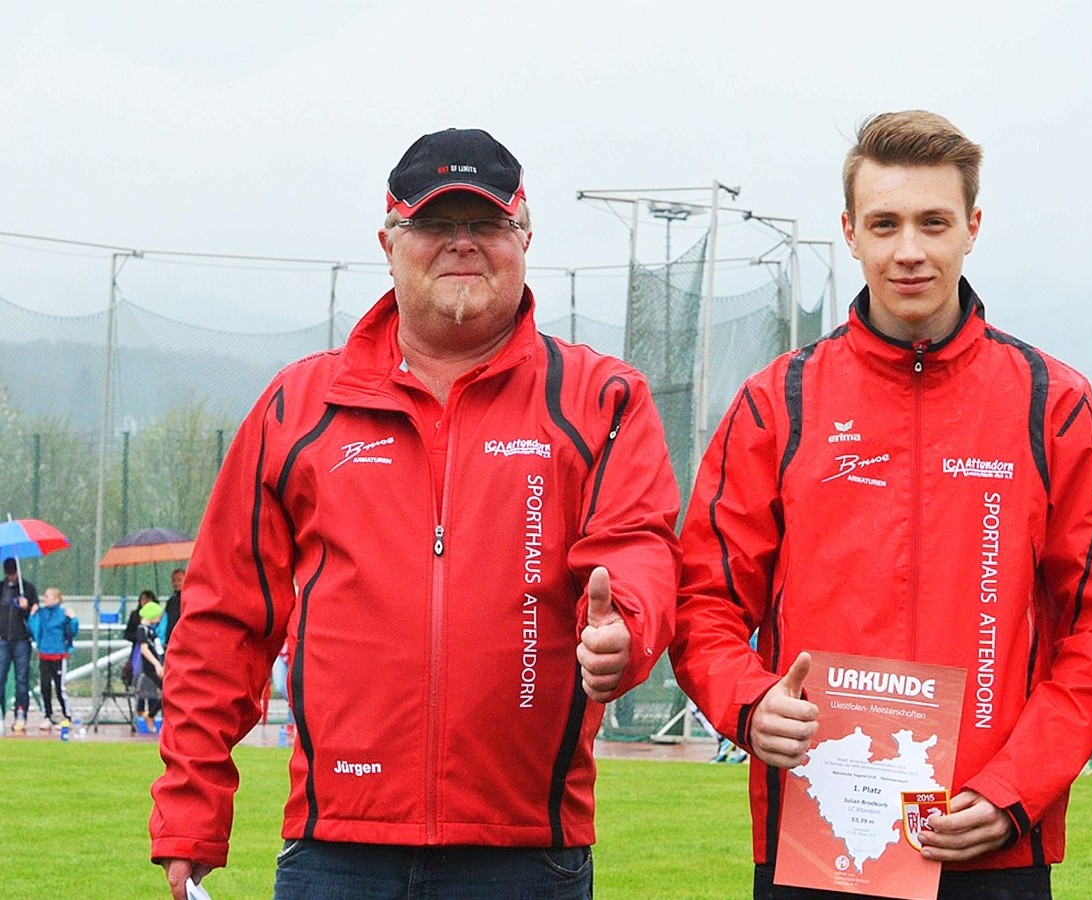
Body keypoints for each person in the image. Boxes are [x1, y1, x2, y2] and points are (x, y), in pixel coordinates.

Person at [148, 127, 681, 900]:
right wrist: (192, 814)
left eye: (487, 223)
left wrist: (625, 626)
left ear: (525, 235)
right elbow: (222, 622)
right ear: (388, 241)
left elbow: (638, 548)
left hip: (528, 853)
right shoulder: (298, 406)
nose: (461, 244)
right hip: (336, 850)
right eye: (435, 224)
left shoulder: (600, 397)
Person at [670, 110, 1092, 899]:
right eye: (885, 224)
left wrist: (1017, 789)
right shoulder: (777, 402)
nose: (910, 250)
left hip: (988, 836)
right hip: (821, 839)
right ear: (851, 232)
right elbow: (703, 602)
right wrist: (750, 704)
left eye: (934, 222)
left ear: (973, 228)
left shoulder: (1050, 402)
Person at [28, 586, 79, 729]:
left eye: (47, 596)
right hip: (44, 654)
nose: (44, 599)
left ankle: (67, 716)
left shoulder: (63, 614)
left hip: (58, 655)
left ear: (56, 599)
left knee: (59, 687)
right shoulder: (42, 614)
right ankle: (47, 716)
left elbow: (72, 631)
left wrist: (73, 619)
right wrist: (32, 615)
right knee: (44, 686)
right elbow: (34, 629)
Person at [0, 557, 40, 732]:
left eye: (13, 573)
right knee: (0, 677)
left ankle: (20, 712)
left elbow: (34, 613)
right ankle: (1, 714)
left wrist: (27, 606)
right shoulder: (0, 588)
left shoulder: (28, 589)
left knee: (21, 679)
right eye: (8, 574)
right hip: (3, 640)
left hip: (22, 640)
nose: (11, 577)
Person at [132, 598, 167, 733]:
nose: (159, 618)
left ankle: (152, 715)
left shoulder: (151, 630)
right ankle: (150, 715)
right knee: (167, 692)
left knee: (167, 691)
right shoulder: (142, 630)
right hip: (150, 668)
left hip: (157, 665)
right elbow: (144, 649)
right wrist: (157, 664)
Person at [162, 567, 185, 641]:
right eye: (174, 580)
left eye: (179, 580)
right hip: (172, 637)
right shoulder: (171, 601)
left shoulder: (189, 598)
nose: (176, 583)